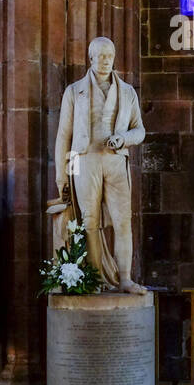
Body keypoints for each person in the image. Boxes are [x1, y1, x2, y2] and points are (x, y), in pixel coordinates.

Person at [53, 37, 145, 293]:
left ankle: (125, 278)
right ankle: (95, 279)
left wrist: (124, 138)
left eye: (109, 56)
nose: (105, 61)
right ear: (90, 58)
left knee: (123, 221)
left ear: (114, 58)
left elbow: (140, 130)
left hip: (115, 160)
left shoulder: (127, 92)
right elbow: (64, 135)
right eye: (100, 56)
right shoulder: (74, 91)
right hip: (84, 160)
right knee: (89, 221)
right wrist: (62, 175)